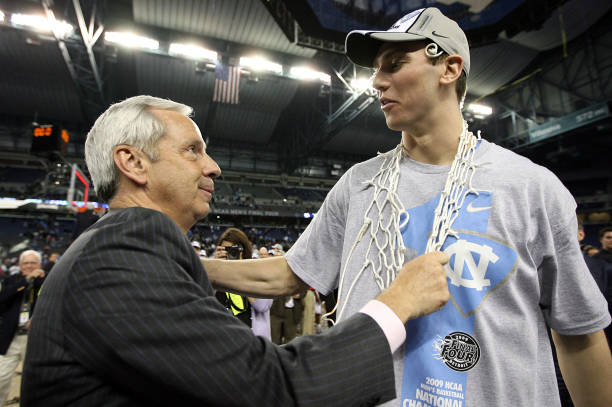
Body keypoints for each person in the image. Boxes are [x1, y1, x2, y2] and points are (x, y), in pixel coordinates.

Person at [203, 7, 612, 407]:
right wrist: (188, 265)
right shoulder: (359, 184)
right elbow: (290, 274)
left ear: (449, 68)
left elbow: (579, 335)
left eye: (395, 64)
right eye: (376, 69)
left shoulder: (531, 187)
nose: (377, 81)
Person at [21, 95, 451, 406]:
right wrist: (398, 303)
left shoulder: (113, 245)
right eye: (192, 151)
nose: (213, 167)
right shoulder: (127, 243)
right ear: (133, 162)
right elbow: (272, 388)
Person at [0, 250, 44, 405]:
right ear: (20, 266)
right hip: (11, 337)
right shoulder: (11, 280)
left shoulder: (47, 280)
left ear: (40, 264)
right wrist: (26, 280)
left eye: (33, 263)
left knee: (34, 380)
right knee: (1, 377)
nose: (29, 266)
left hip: (34, 338)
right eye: (25, 263)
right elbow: (2, 299)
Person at [214, 227, 274, 339]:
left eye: (234, 250)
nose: (231, 253)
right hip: (222, 340)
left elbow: (262, 306)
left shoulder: (258, 273)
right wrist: (215, 266)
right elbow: (203, 298)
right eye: (226, 250)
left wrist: (240, 270)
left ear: (244, 251)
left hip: (251, 341)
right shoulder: (215, 275)